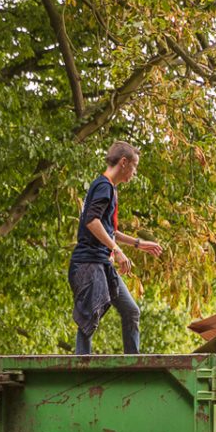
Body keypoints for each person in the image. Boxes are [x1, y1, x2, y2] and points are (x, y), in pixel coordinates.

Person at [69, 141, 163, 355]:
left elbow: (108, 229)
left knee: (131, 311)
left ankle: (133, 365)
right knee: (90, 313)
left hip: (102, 262)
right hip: (90, 263)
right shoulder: (104, 186)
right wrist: (117, 250)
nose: (135, 172)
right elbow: (92, 221)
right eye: (134, 166)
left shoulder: (108, 189)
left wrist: (138, 244)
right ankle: (81, 365)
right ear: (123, 162)